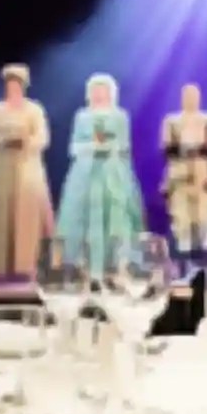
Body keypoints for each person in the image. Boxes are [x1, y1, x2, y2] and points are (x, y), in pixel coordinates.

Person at [0, 64, 55, 277]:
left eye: (17, 84)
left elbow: (43, 138)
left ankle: (27, 263)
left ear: (24, 86)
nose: (13, 87)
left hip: (26, 164)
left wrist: (25, 141)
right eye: (10, 84)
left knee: (26, 211)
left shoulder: (34, 109)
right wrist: (3, 141)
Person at [57, 74, 145, 271]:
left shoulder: (120, 116)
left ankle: (116, 263)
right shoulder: (82, 116)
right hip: (85, 173)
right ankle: (83, 264)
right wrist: (92, 147)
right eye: (95, 91)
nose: (99, 94)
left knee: (116, 213)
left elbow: (124, 145)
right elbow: (73, 146)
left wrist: (107, 146)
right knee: (82, 214)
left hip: (112, 171)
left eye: (103, 90)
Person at [161, 83, 207, 252]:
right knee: (181, 216)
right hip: (179, 174)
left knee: (204, 216)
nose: (190, 99)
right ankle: (183, 254)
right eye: (187, 96)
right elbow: (168, 149)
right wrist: (192, 148)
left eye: (194, 96)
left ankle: (206, 256)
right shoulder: (171, 121)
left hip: (203, 175)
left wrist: (189, 149)